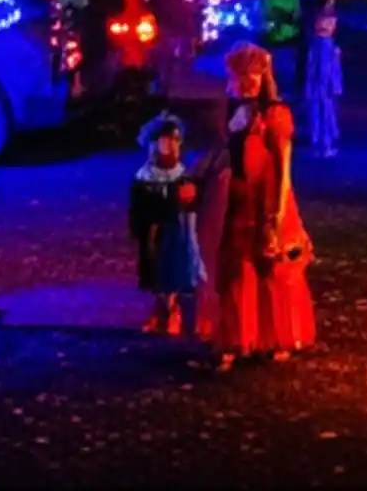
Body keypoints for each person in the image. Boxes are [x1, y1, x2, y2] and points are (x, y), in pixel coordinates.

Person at [215, 42, 316, 371]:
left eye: (251, 78)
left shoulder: (274, 115)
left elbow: (284, 165)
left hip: (269, 199)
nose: (243, 85)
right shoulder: (233, 112)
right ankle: (240, 336)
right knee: (236, 266)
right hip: (240, 196)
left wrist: (278, 212)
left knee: (272, 268)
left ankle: (276, 336)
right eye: (238, 78)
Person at [129, 113, 207, 335]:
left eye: (174, 139)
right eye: (164, 139)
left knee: (178, 270)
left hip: (180, 230)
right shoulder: (145, 175)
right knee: (156, 272)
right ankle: (160, 311)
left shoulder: (184, 174)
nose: (169, 144)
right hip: (156, 231)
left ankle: (176, 312)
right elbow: (138, 208)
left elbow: (194, 203)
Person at [305, 4, 343, 158]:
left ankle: (318, 144)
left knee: (318, 114)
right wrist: (332, 85)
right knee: (325, 115)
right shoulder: (325, 43)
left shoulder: (316, 42)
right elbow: (324, 68)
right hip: (324, 86)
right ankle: (324, 146)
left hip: (317, 85)